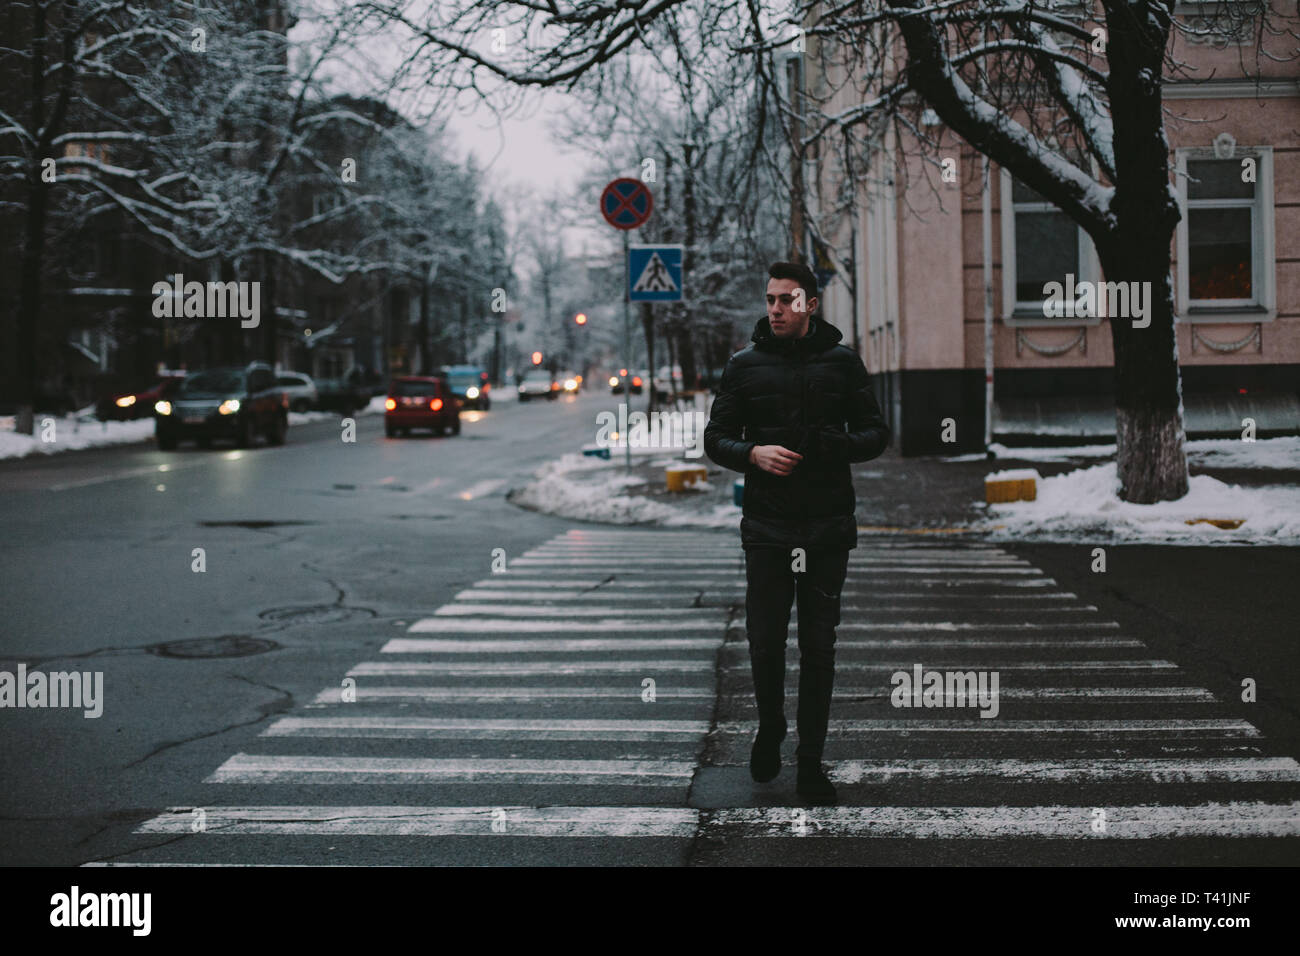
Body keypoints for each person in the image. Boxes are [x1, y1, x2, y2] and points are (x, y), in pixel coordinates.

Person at [704, 261, 891, 805]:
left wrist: (839, 445)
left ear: (811, 304)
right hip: (767, 526)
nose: (777, 309)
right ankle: (770, 726)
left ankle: (811, 762)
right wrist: (753, 453)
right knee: (764, 640)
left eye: (788, 299)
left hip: (828, 526)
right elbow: (716, 439)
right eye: (770, 300)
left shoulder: (843, 363)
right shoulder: (744, 366)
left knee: (818, 646)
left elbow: (877, 433)